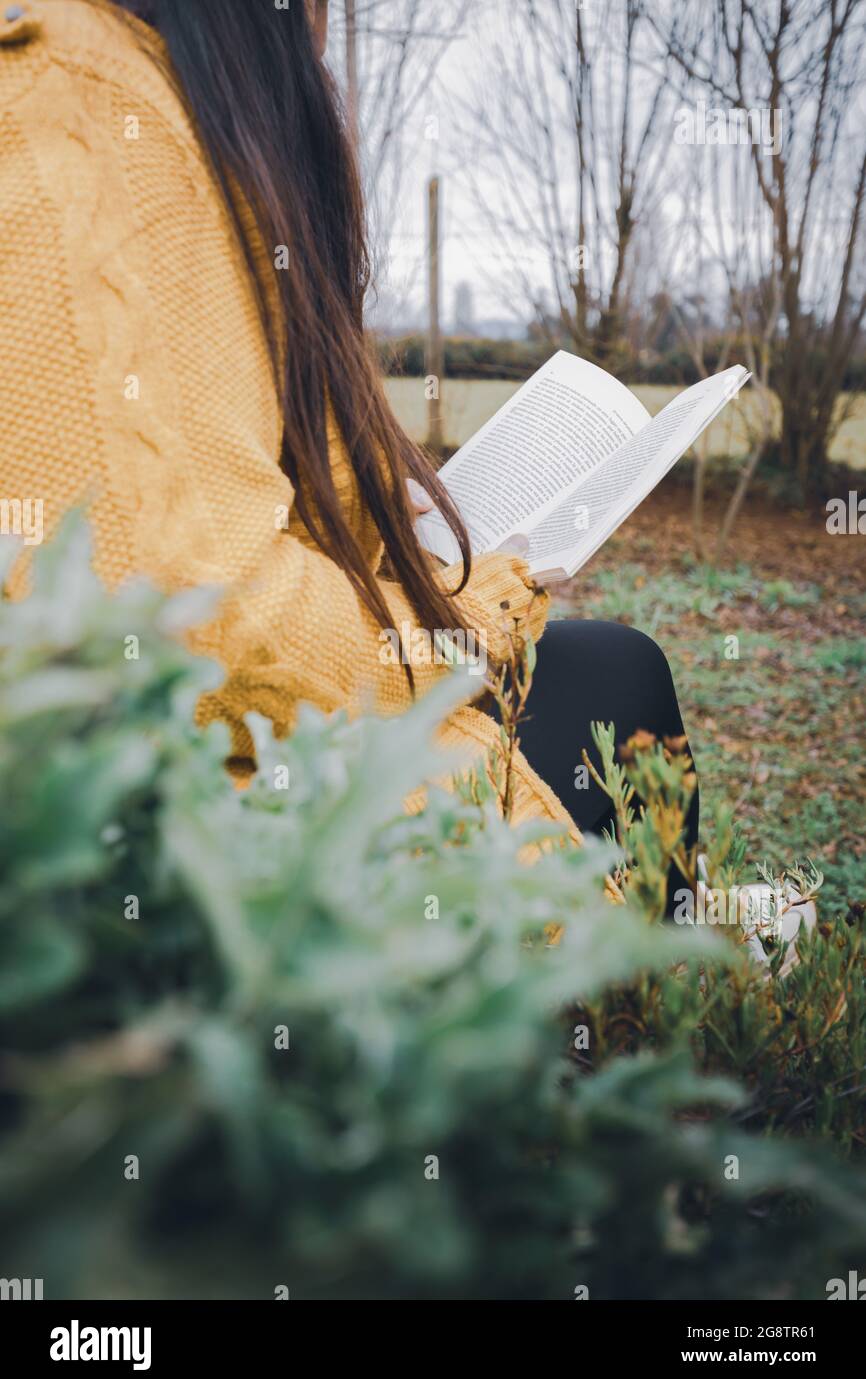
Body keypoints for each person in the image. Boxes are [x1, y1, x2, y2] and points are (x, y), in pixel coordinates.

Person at [0, 0, 697, 866]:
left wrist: (363, 516)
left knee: (618, 664)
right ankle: (645, 991)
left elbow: (212, 464)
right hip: (213, 793)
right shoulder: (76, 107)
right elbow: (196, 617)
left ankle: (657, 983)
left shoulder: (164, 96)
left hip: (258, 723)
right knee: (619, 685)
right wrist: (472, 622)